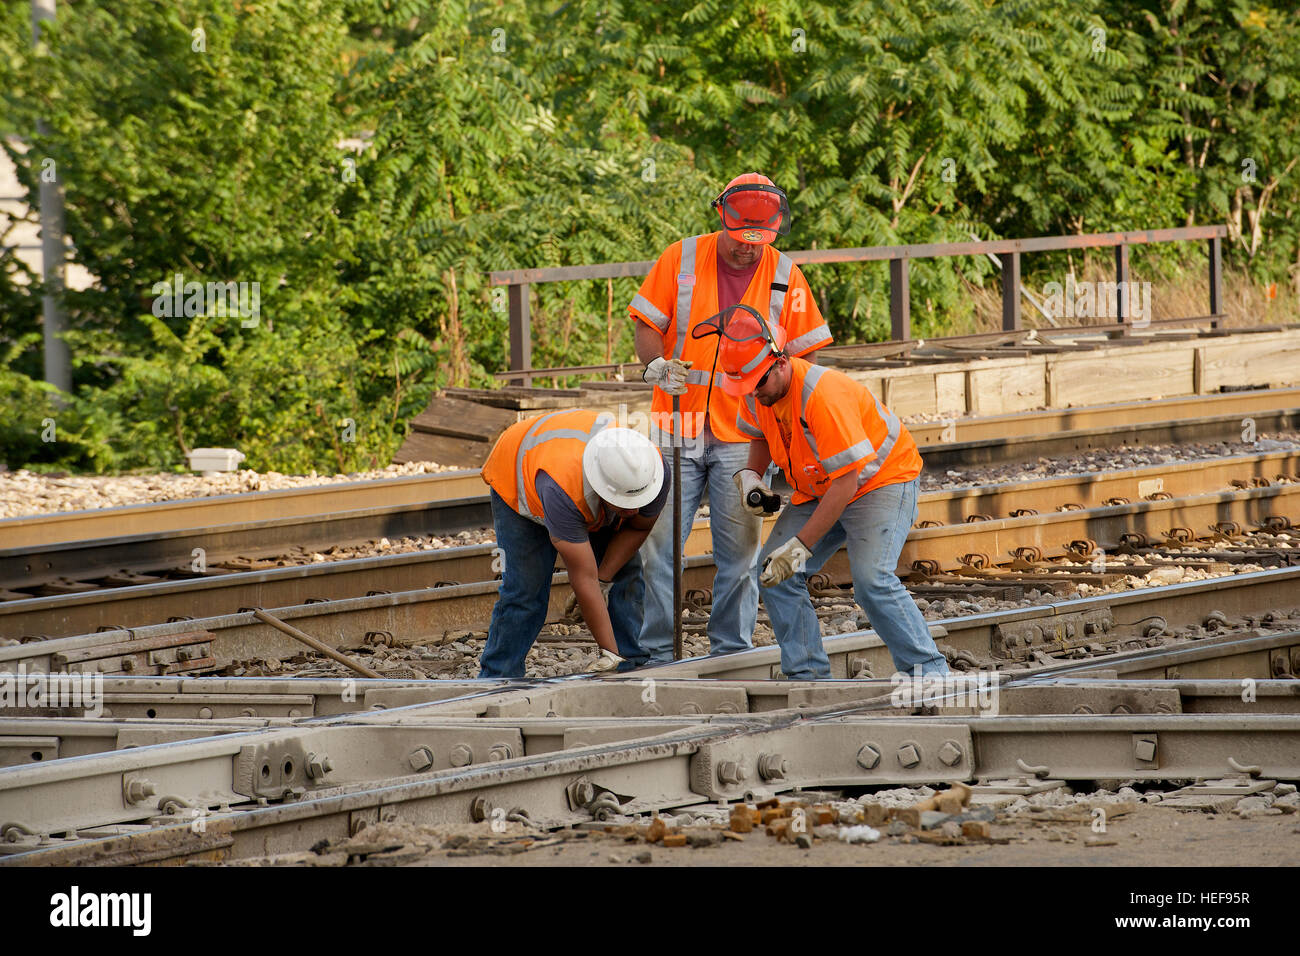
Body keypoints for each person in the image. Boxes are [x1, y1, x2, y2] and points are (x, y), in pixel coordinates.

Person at [630, 173, 833, 662]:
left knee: (739, 554)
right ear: (723, 219)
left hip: (745, 437)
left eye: (758, 241)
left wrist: (793, 430)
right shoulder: (680, 259)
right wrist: (654, 366)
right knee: (657, 547)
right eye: (741, 240)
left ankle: (730, 652)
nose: (748, 251)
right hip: (675, 427)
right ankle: (657, 652)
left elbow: (806, 360)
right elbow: (646, 323)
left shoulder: (785, 275)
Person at [715, 305, 950, 680]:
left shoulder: (823, 395)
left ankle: (930, 672)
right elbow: (759, 433)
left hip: (878, 481)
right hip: (820, 487)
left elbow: (846, 483)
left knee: (872, 581)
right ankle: (808, 677)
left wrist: (799, 547)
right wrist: (750, 475)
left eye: (757, 384)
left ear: (780, 362)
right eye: (745, 386)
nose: (753, 394)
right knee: (773, 573)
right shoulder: (754, 389)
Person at [477, 410, 668, 678]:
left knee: (625, 572)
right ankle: (499, 676)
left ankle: (626, 663)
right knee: (525, 591)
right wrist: (606, 650)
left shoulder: (653, 470)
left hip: (570, 469)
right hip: (518, 471)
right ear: (602, 489)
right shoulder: (562, 491)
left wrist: (605, 577)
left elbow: (639, 526)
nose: (634, 511)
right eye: (625, 506)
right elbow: (583, 578)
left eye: (638, 502)